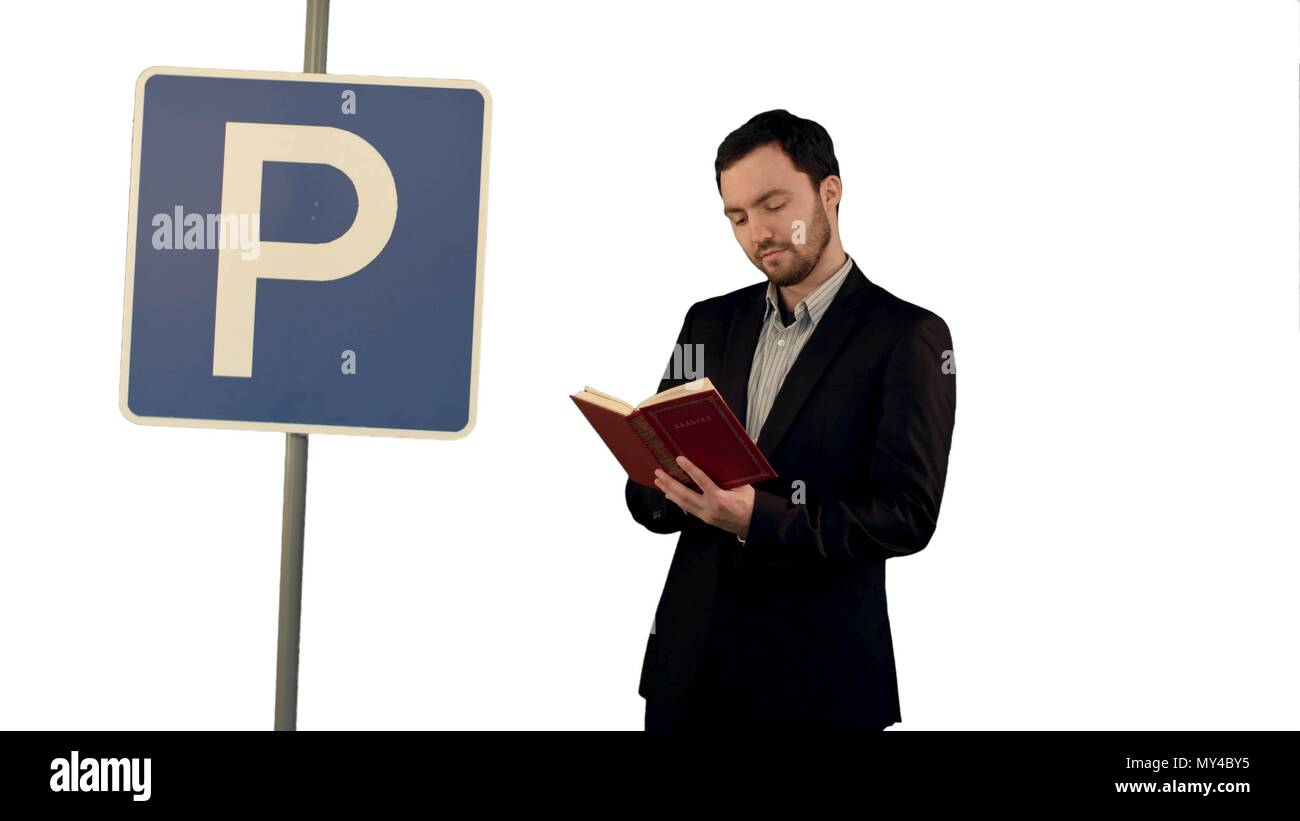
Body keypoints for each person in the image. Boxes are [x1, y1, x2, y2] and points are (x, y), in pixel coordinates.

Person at [627, 109, 957, 730]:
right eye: (738, 217)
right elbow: (650, 494)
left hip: (818, 687)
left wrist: (760, 519)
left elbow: (908, 516)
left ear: (829, 191)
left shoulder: (909, 336)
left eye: (774, 204)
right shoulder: (707, 323)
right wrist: (657, 481)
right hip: (686, 675)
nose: (758, 232)